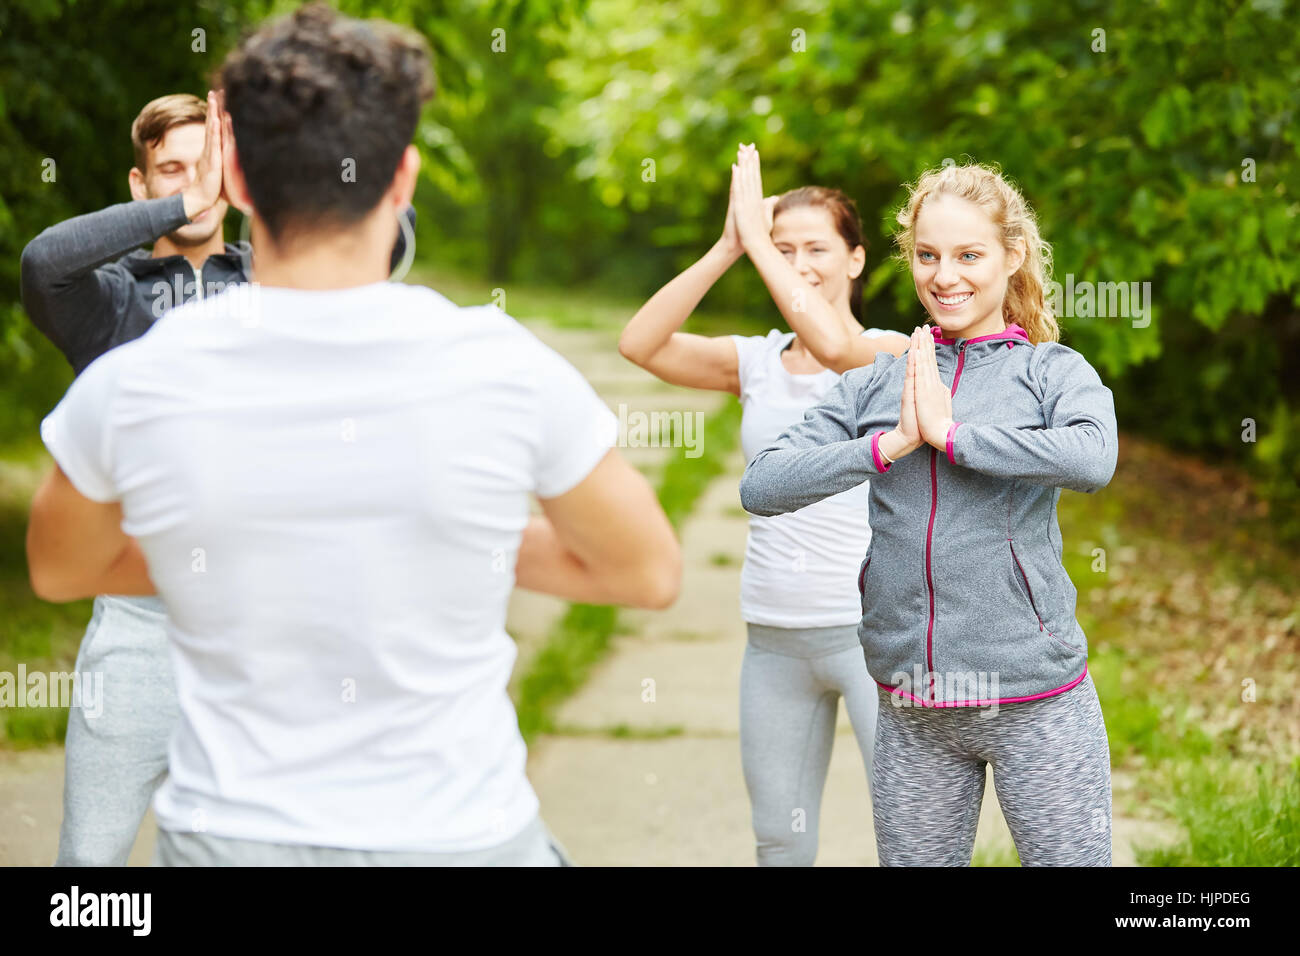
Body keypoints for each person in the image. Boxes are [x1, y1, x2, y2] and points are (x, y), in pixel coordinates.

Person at [27, 2, 680, 866]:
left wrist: (257, 541)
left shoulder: (138, 377)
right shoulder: (500, 361)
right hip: (464, 839)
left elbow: (58, 566)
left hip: (233, 842)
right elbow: (647, 570)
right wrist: (433, 537)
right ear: (404, 178)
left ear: (242, 184)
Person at [19, 89, 416, 867]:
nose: (192, 182)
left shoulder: (280, 287)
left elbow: (390, 236)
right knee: (86, 872)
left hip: (266, 642)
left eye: (210, 165)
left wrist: (262, 184)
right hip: (135, 639)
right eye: (171, 169)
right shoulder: (109, 301)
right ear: (139, 187)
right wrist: (182, 206)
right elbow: (42, 263)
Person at [740, 161, 1118, 866]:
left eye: (969, 255)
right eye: (928, 255)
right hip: (913, 706)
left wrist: (954, 438)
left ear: (1013, 256)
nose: (945, 276)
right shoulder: (882, 380)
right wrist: (886, 446)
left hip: (1035, 699)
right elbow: (762, 484)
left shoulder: (1051, 372)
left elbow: (1094, 457)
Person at [619, 143, 907, 865]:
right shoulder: (753, 362)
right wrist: (727, 246)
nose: (798, 261)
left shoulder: (892, 353)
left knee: (911, 841)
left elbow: (834, 339)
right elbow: (640, 343)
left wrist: (762, 243)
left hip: (873, 635)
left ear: (856, 259)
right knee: (779, 840)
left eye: (816, 247)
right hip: (774, 635)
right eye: (781, 248)